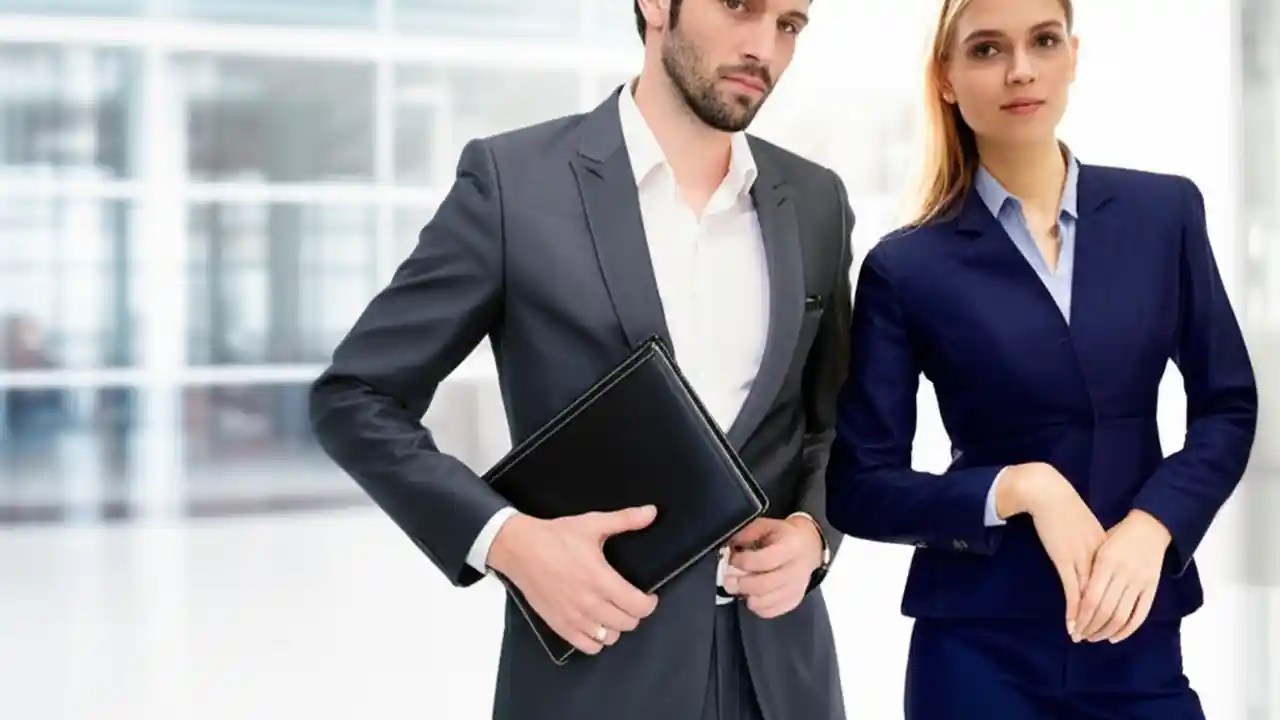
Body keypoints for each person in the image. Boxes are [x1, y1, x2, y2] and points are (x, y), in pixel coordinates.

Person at [309, 1, 854, 718]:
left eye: (789, 24)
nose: (765, 46)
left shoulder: (815, 201)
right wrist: (507, 540)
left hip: (782, 679)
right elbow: (355, 397)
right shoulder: (515, 183)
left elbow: (835, 423)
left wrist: (813, 534)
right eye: (739, 6)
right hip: (594, 675)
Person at [824, 0, 1258, 717]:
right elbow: (860, 487)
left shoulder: (1164, 214)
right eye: (987, 49)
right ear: (946, 78)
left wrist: (1154, 524)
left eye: (1044, 41)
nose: (1021, 70)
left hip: (1136, 634)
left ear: (1073, 56)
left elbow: (1228, 407)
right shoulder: (906, 267)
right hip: (975, 653)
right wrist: (1019, 488)